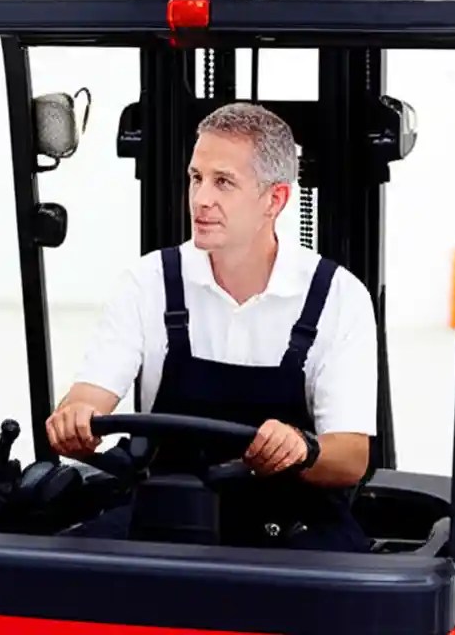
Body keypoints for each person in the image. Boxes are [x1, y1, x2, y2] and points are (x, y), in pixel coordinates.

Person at [45, 102, 377, 552]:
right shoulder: (149, 282)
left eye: (223, 183)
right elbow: (89, 395)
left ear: (274, 200)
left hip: (293, 530)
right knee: (58, 571)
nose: (201, 199)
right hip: (166, 520)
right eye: (196, 178)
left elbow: (351, 457)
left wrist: (301, 448)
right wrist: (76, 417)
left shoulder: (339, 297)